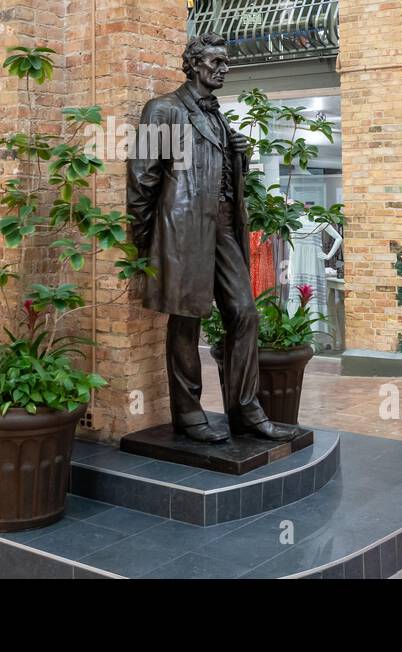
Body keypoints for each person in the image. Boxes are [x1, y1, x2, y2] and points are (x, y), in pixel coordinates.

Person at [127, 33, 300, 445]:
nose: (223, 69)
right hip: (183, 228)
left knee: (244, 312)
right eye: (215, 62)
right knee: (186, 319)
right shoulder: (164, 109)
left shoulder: (218, 116)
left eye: (226, 62)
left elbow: (218, 173)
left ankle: (245, 410)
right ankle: (188, 414)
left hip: (222, 227)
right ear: (193, 64)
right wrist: (147, 242)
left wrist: (239, 153)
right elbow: (142, 178)